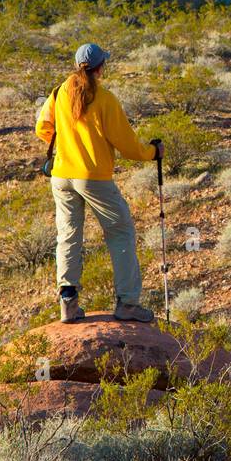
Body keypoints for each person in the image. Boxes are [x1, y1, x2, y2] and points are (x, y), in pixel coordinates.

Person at [35, 43, 161, 323]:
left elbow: (43, 128)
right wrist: (152, 153)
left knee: (68, 236)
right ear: (101, 67)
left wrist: (67, 144)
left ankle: (68, 305)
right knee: (121, 232)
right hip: (93, 178)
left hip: (61, 176)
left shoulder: (59, 92)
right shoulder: (105, 99)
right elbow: (128, 147)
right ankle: (127, 304)